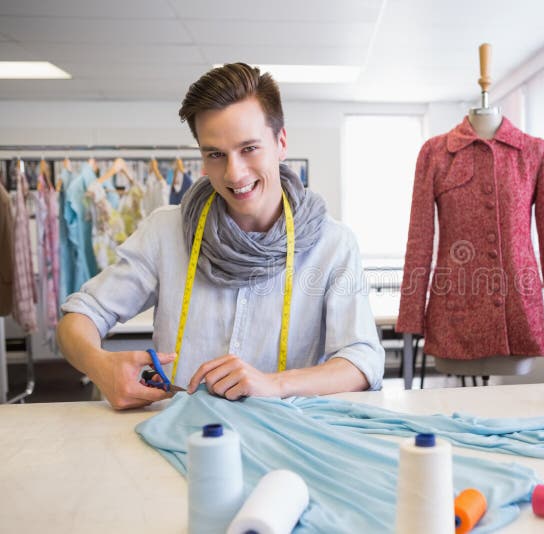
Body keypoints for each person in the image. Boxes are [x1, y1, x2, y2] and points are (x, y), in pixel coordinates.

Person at [56, 63, 385, 410]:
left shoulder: (332, 245)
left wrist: (273, 383)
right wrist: (100, 364)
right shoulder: (166, 231)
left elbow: (363, 358)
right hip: (182, 437)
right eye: (215, 154)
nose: (234, 173)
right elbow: (79, 316)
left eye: (249, 149)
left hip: (287, 435)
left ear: (281, 143)